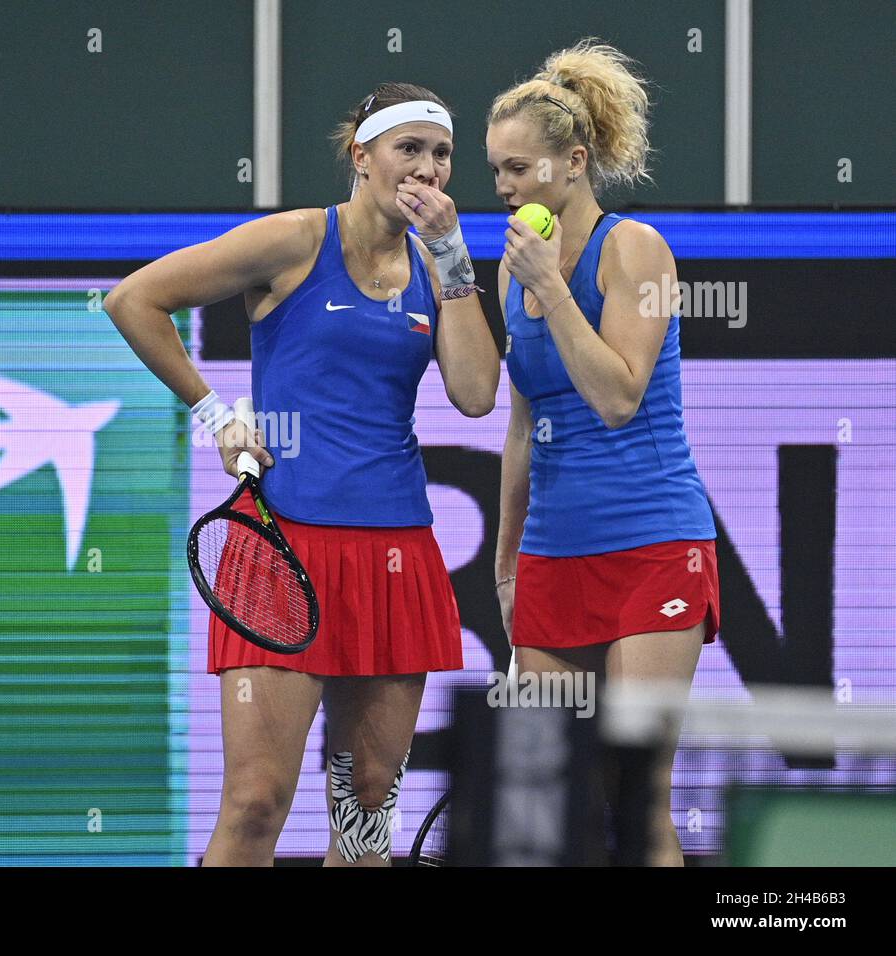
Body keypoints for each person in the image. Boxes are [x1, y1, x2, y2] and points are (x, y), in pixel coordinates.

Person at [105, 83, 499, 865]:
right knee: (255, 804)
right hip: (280, 551)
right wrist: (218, 415)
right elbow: (133, 300)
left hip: (395, 558)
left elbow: (478, 394)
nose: (426, 168)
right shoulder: (291, 241)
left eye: (441, 154)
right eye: (407, 149)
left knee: (363, 823)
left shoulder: (436, 266)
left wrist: (456, 261)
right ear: (361, 156)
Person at [488, 40, 721, 866]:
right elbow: (519, 426)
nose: (505, 189)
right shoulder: (516, 271)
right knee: (558, 805)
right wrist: (508, 562)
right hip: (554, 553)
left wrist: (552, 287)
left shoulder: (636, 251)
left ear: (574, 162)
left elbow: (619, 396)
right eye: (497, 173)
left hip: (655, 545)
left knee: (637, 796)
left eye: (519, 169)